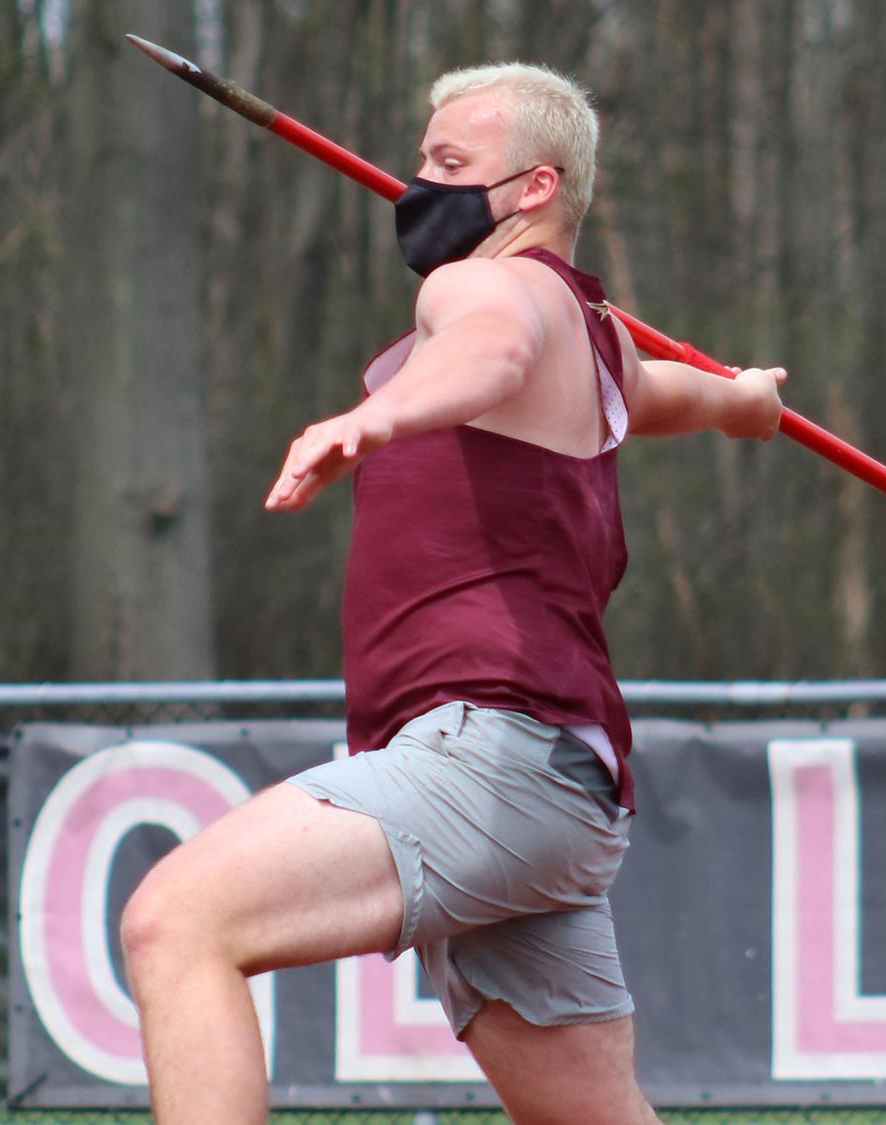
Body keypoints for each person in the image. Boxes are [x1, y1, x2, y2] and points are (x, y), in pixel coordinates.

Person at [119, 61, 787, 1124]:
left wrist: (373, 420)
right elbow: (681, 397)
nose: (413, 183)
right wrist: (746, 401)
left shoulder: (479, 291)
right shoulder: (605, 341)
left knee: (176, 923)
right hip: (559, 784)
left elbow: (489, 351)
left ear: (532, 188)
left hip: (488, 758)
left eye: (447, 163)